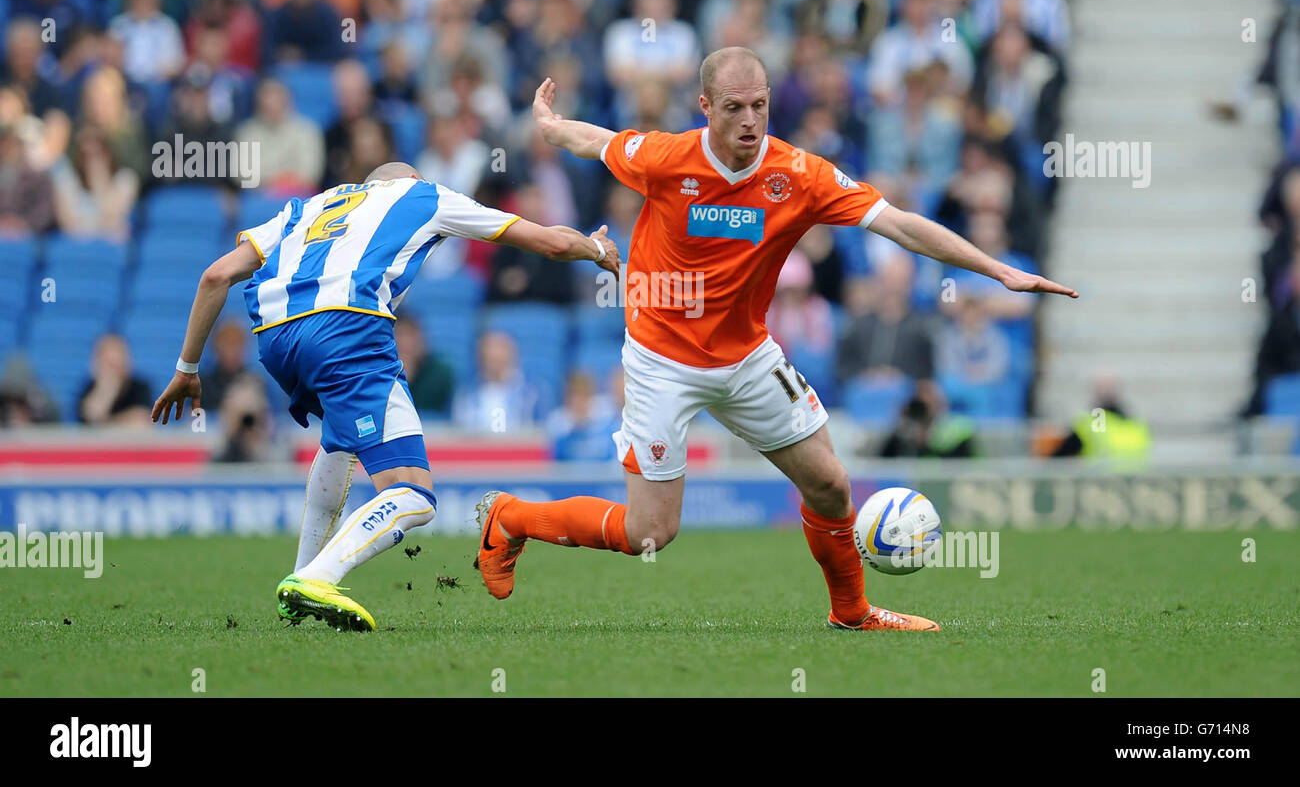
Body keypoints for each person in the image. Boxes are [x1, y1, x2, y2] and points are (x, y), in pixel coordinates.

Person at [473, 47, 1076, 633]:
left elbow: (897, 223)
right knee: (649, 535)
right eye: (734, 107)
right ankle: (511, 517)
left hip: (747, 358)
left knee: (831, 484)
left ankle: (852, 612)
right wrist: (551, 127)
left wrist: (996, 269)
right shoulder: (664, 157)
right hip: (661, 360)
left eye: (760, 105)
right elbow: (597, 141)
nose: (750, 120)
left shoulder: (800, 174)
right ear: (704, 105)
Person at [151, 161, 619, 632]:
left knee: (339, 443)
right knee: (414, 492)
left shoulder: (305, 207)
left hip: (274, 339)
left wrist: (187, 368)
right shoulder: (426, 197)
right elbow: (552, 241)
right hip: (348, 329)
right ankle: (317, 578)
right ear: (408, 181)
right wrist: (596, 247)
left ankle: (300, 580)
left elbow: (215, 276)